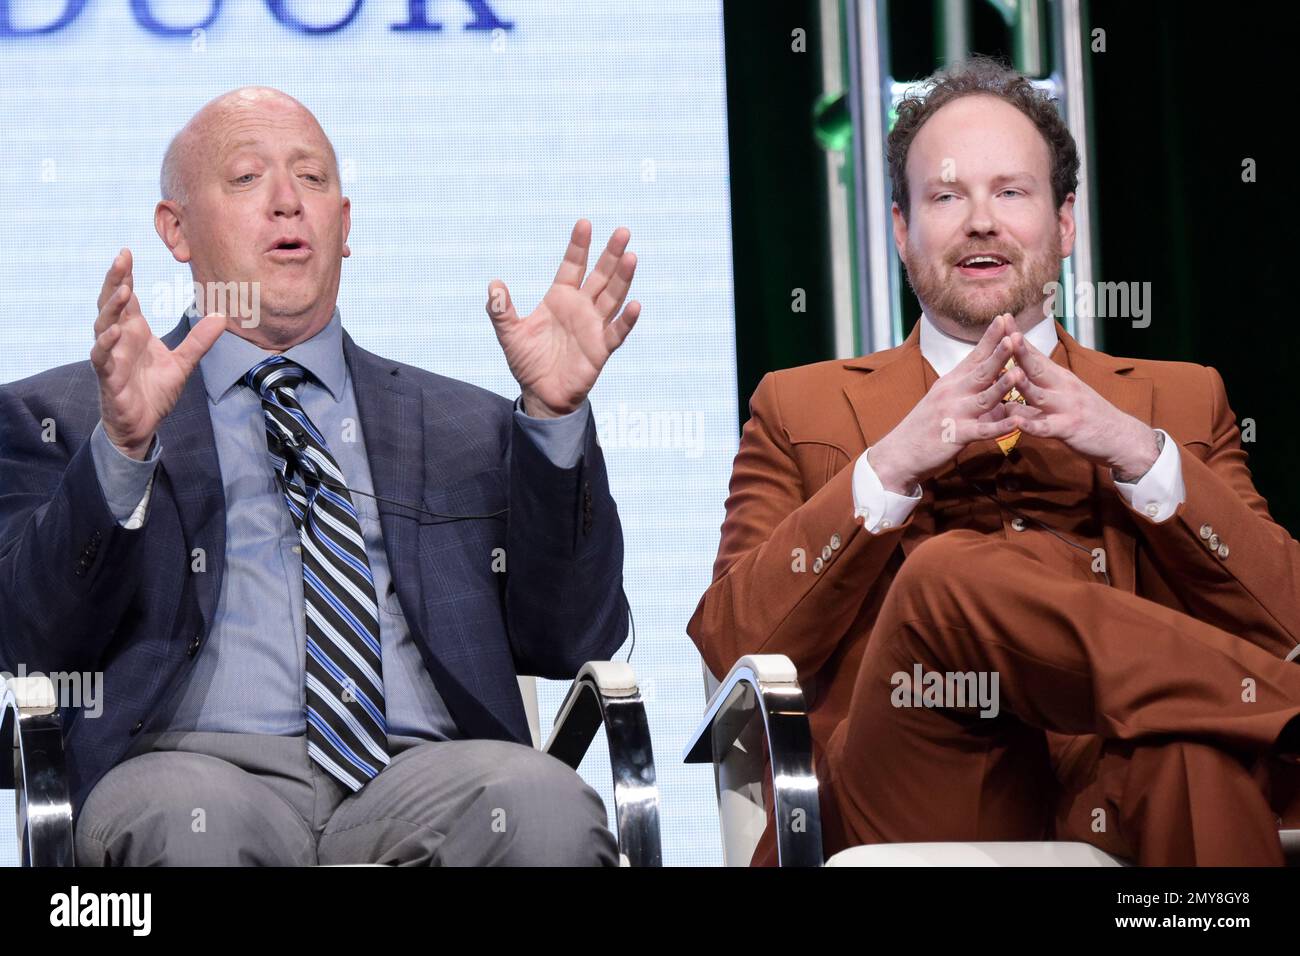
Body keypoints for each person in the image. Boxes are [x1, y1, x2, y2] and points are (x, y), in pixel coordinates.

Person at [0, 87, 640, 866]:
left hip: (426, 777)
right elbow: (31, 641)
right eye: (244, 179)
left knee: (546, 807)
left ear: (345, 226)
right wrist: (124, 451)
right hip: (189, 770)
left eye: (311, 179)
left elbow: (577, 637)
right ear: (175, 229)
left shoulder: (467, 427)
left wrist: (553, 422)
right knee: (192, 824)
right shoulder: (60, 414)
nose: (285, 204)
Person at [689, 57, 1300, 866]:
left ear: (1066, 222)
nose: (981, 221)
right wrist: (895, 463)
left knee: (1192, 742)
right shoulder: (799, 406)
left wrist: (1136, 455)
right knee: (946, 575)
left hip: (1120, 781)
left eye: (1011, 192)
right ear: (904, 230)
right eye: (946, 196)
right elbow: (734, 646)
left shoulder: (1176, 403)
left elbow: (1286, 616)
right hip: (910, 781)